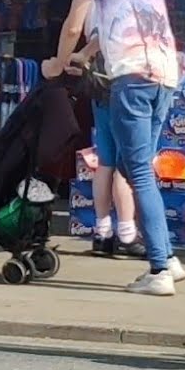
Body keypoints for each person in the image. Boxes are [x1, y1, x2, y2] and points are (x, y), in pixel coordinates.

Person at [43, 0, 182, 295]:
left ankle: (160, 268)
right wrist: (84, 54)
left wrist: (57, 61)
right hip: (164, 72)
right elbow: (117, 23)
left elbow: (74, 21)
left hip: (131, 75)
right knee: (134, 166)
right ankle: (168, 255)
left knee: (137, 171)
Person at [71, 36, 145, 258]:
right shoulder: (116, 8)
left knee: (105, 162)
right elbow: (102, 36)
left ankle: (102, 232)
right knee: (123, 164)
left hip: (100, 87)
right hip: (122, 85)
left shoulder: (92, 5)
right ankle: (126, 233)